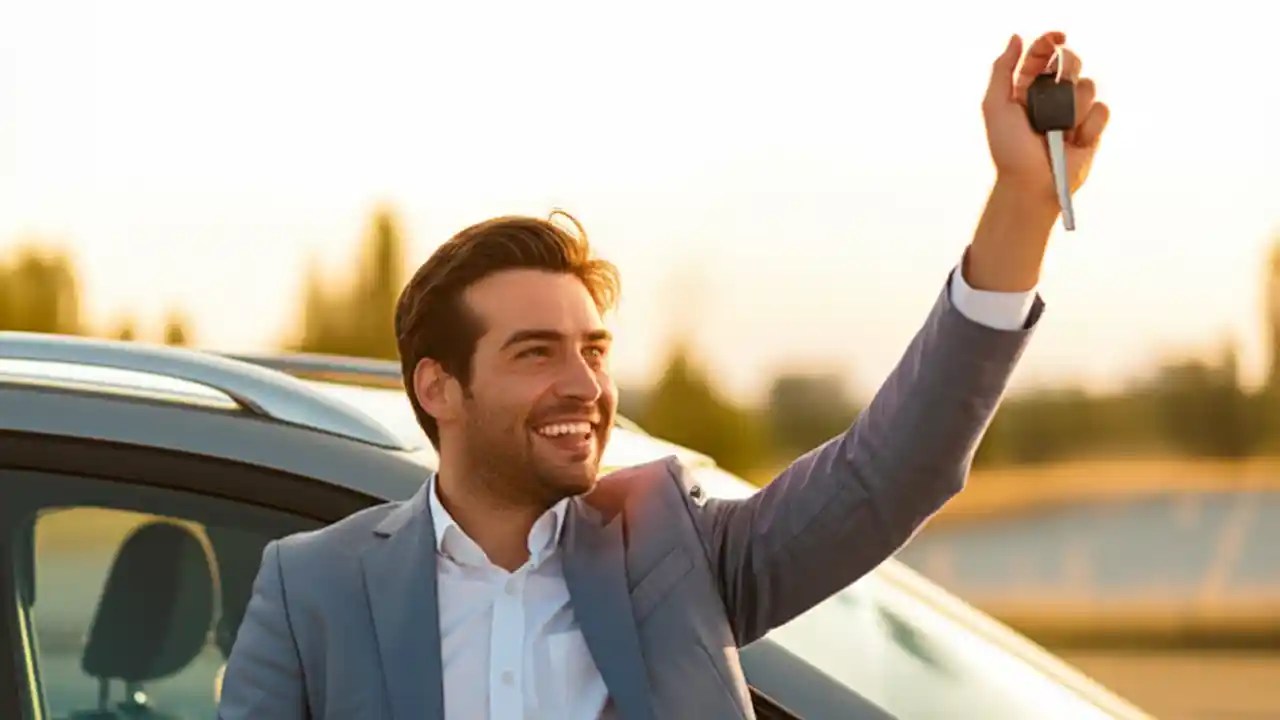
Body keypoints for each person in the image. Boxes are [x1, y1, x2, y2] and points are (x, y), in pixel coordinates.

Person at [218, 30, 1108, 720]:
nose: (584, 384)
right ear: (438, 388)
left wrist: (1023, 203)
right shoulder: (315, 588)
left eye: (594, 351)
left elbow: (895, 467)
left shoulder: (676, 551)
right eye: (536, 352)